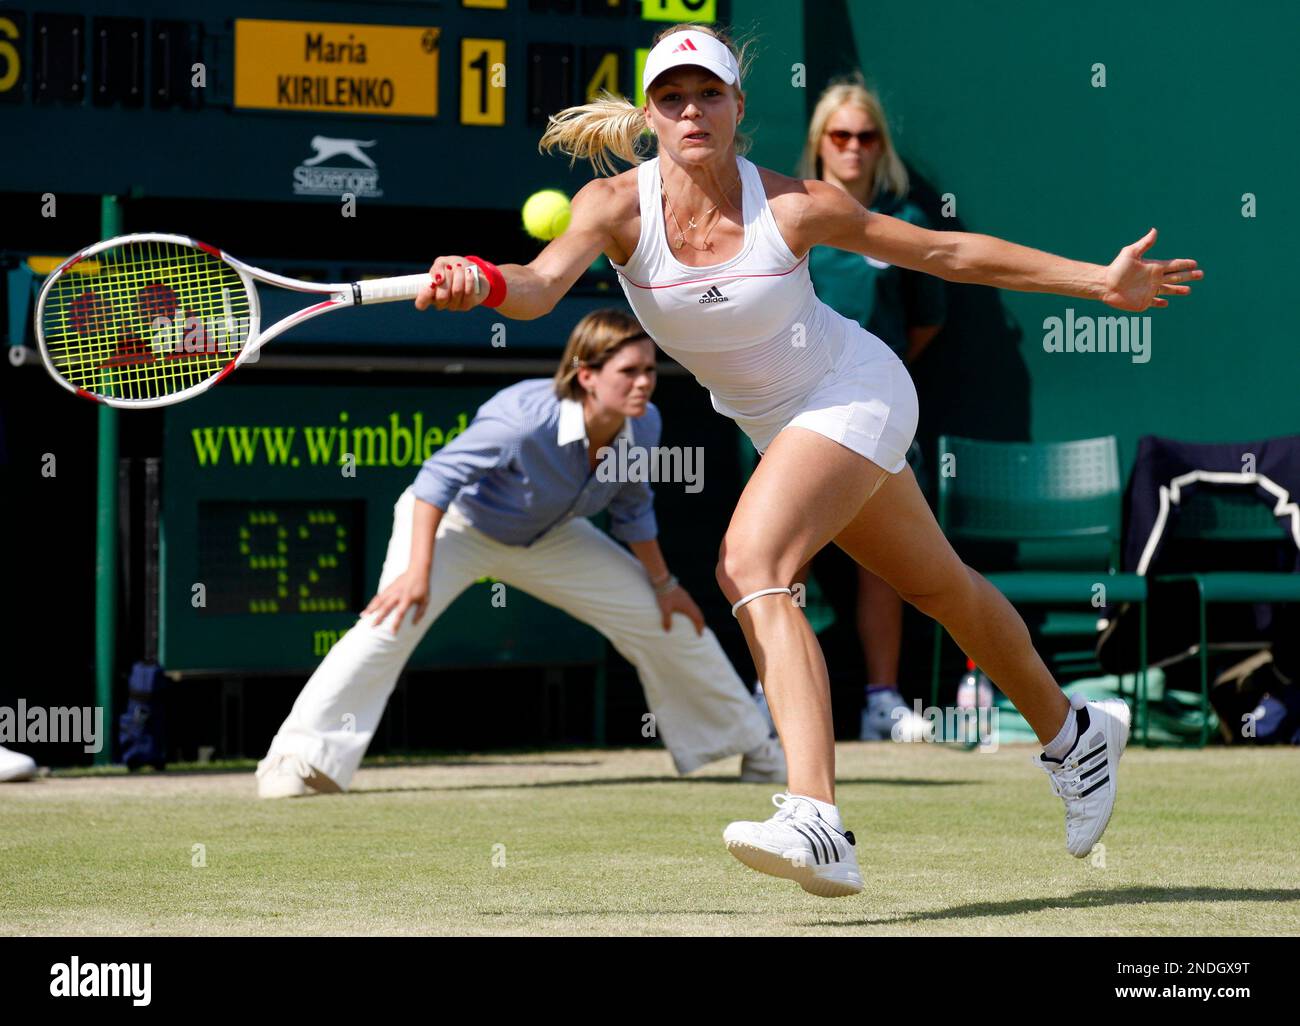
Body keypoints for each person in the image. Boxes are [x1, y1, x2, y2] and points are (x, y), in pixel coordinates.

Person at [413, 24, 1201, 897]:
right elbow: (534, 287)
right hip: (781, 426)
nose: (690, 112)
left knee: (751, 562)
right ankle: (1075, 734)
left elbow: (944, 252)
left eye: (707, 93)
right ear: (650, 115)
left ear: (737, 106)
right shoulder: (613, 209)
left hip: (855, 388)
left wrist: (1099, 282)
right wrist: (481, 280)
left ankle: (817, 819)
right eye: (671, 98)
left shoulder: (793, 206)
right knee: (939, 587)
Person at [256, 309, 786, 799]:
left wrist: (666, 587)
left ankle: (753, 747)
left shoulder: (643, 425)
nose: (644, 382)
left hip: (550, 536)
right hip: (457, 526)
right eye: (629, 371)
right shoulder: (522, 420)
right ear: (587, 375)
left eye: (649, 369)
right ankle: (296, 761)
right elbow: (433, 483)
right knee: (390, 623)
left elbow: (632, 507)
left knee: (665, 618)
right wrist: (418, 571)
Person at [793, 74, 949, 741]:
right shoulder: (789, 216)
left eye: (866, 136)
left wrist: (869, 373)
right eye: (840, 135)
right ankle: (772, 701)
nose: (853, 147)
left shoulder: (904, 224)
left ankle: (882, 699)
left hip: (872, 413)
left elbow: (924, 322)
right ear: (820, 144)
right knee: (777, 559)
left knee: (883, 556)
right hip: (785, 411)